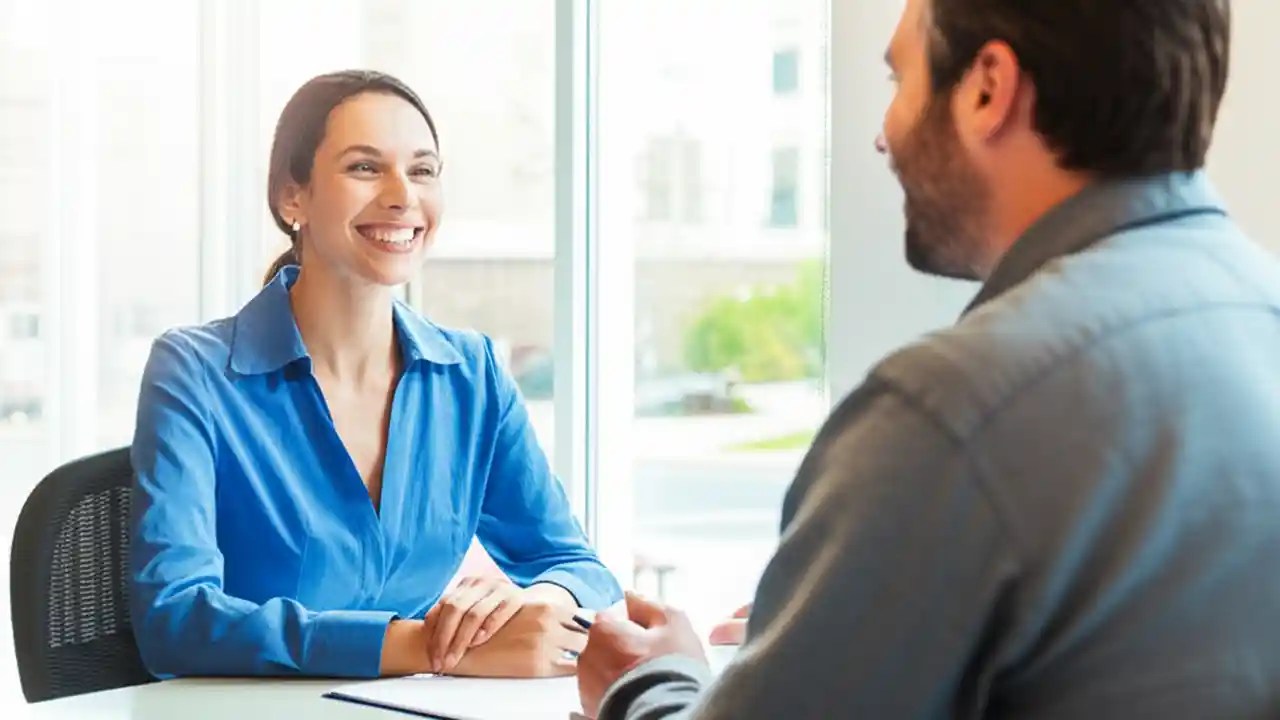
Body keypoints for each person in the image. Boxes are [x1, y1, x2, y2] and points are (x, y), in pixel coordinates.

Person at [579, 0, 1280, 717]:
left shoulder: (954, 411)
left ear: (987, 89)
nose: (884, 136)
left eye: (899, 79)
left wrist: (654, 683)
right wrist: (837, 626)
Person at [129, 70, 621, 680]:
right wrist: (427, 647)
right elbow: (175, 619)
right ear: (292, 197)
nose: (401, 195)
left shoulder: (473, 376)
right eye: (365, 167)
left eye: (422, 171)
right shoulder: (196, 373)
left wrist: (535, 609)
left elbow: (578, 567)